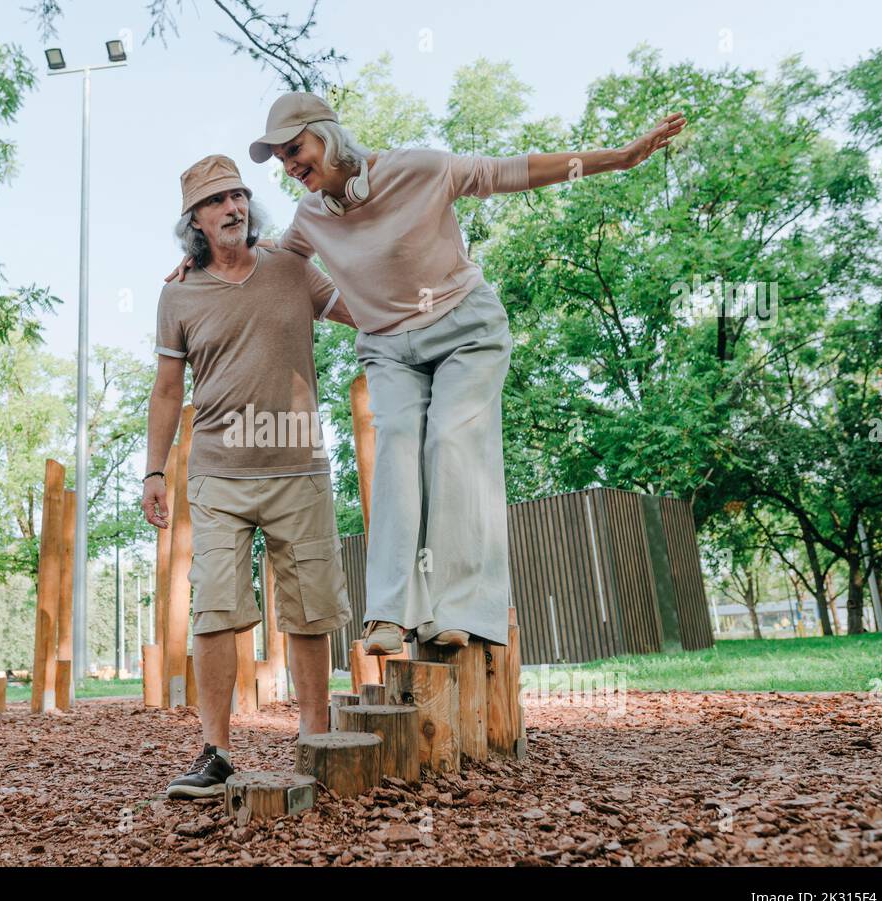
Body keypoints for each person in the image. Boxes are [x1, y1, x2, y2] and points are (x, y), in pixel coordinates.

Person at [170, 92, 685, 657]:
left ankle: (461, 608)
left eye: (295, 149)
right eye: (282, 160)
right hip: (390, 348)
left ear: (328, 135)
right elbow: (263, 256)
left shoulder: (414, 169)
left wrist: (618, 156)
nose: (290, 166)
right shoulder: (311, 217)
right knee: (395, 449)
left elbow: (509, 171)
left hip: (465, 329)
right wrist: (198, 261)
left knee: (450, 441)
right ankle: (390, 614)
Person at [143, 154, 357, 799]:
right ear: (195, 222)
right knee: (214, 612)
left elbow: (356, 307)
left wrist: (398, 263)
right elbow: (166, 391)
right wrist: (154, 470)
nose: (233, 207)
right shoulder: (177, 293)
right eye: (217, 201)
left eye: (239, 195)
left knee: (312, 610)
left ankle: (314, 739)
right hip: (218, 473)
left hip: (299, 468)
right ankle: (216, 752)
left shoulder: (292, 268)